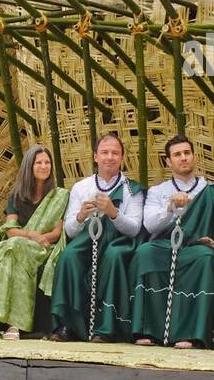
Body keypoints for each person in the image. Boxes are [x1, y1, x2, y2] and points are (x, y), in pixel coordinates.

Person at [129, 135, 214, 348]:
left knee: (205, 258)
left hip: (197, 248)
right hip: (165, 245)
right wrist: (170, 208)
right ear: (168, 161)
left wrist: (213, 244)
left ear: (193, 157)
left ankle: (193, 334)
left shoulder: (212, 192)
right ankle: (150, 331)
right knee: (145, 252)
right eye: (177, 155)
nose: (183, 158)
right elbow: (150, 226)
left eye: (187, 153)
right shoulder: (158, 191)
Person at [0, 145, 69, 341]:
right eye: (39, 163)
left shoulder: (59, 196)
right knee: (12, 248)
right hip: (23, 243)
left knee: (9, 248)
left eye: (47, 163)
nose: (44, 166)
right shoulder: (16, 196)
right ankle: (14, 325)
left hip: (46, 247)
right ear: (29, 166)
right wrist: (31, 235)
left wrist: (37, 238)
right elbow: (10, 230)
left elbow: (56, 232)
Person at [49, 133, 145, 342]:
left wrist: (113, 212)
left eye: (115, 153)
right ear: (95, 156)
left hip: (119, 242)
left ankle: (107, 328)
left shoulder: (132, 190)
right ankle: (67, 325)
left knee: (113, 256)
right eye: (105, 152)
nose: (109, 157)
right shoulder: (81, 187)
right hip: (87, 240)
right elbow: (71, 231)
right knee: (68, 257)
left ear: (122, 158)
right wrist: (81, 216)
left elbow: (134, 228)